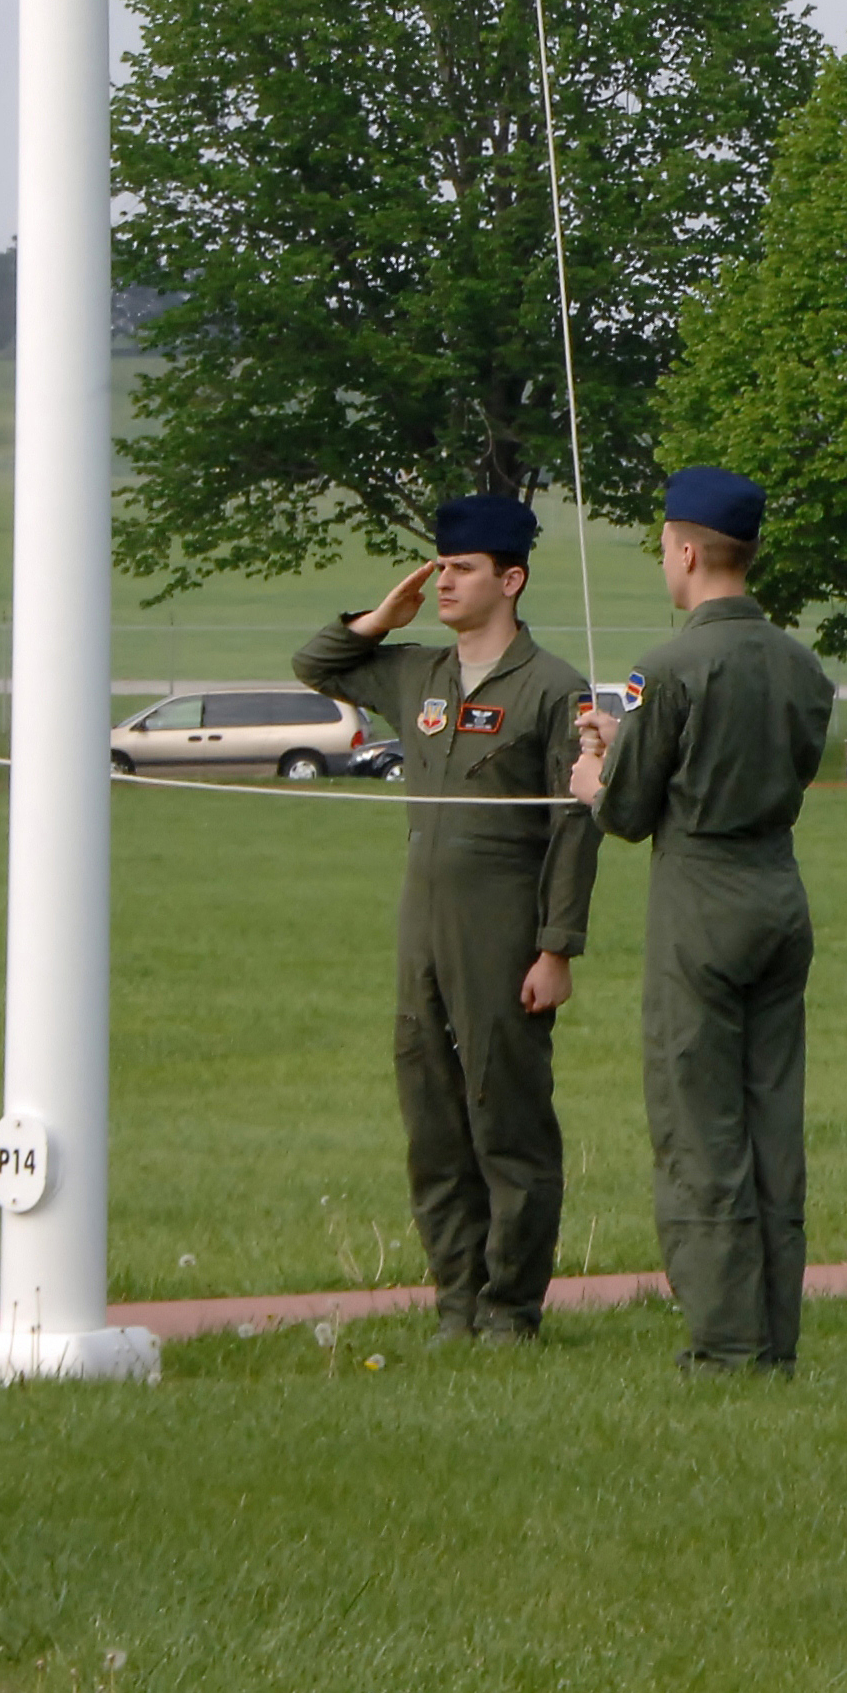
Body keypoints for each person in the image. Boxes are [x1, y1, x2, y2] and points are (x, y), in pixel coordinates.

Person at [294, 494, 596, 1343]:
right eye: (441, 567)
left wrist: (557, 948)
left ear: (512, 578)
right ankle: (456, 1301)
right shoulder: (416, 672)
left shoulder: (551, 688)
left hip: (502, 925)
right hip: (420, 923)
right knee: (431, 1117)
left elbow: (574, 828)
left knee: (506, 1115)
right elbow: (316, 665)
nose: (444, 582)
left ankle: (510, 1307)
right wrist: (380, 617)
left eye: (461, 569)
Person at [568, 466, 830, 1375]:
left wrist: (595, 773)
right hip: (778, 891)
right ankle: (777, 1338)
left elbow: (630, 812)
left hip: (701, 897)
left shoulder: (665, 669)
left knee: (698, 1124)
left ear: (685, 550)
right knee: (771, 1122)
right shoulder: (802, 666)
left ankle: (726, 1345)